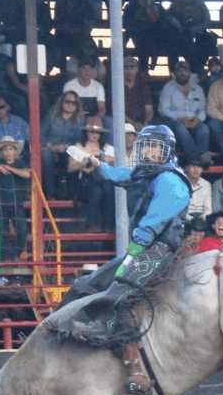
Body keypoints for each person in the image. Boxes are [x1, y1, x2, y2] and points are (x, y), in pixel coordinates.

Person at [64, 125, 192, 347]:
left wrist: (135, 248)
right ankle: (57, 325)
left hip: (161, 247)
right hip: (143, 245)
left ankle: (103, 330)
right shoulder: (144, 173)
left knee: (123, 284)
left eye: (155, 147)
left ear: (167, 151)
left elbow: (154, 220)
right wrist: (97, 164)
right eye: (146, 146)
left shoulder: (171, 180)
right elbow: (118, 174)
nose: (149, 152)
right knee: (87, 282)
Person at [155, 60, 210, 159]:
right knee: (181, 128)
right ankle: (194, 157)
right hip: (175, 122)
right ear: (174, 73)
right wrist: (180, 119)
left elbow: (202, 110)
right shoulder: (168, 88)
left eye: (185, 71)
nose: (182, 73)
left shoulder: (198, 89)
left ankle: (202, 156)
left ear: (189, 73)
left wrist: (197, 119)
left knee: (204, 129)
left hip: (193, 120)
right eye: (179, 71)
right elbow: (163, 110)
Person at [65, 124, 113, 233]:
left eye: (97, 132)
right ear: (86, 133)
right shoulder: (78, 148)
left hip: (103, 180)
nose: (94, 135)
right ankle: (91, 224)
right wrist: (82, 164)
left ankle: (108, 226)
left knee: (107, 188)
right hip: (85, 183)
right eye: (92, 132)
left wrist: (108, 161)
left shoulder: (108, 149)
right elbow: (70, 169)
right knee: (97, 191)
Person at [183, 153, 211, 220]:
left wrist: (203, 219)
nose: (196, 170)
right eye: (193, 166)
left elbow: (208, 208)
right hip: (185, 217)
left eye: (199, 167)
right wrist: (191, 220)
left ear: (202, 169)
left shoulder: (206, 184)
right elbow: (179, 208)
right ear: (187, 167)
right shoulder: (180, 182)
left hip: (202, 218)